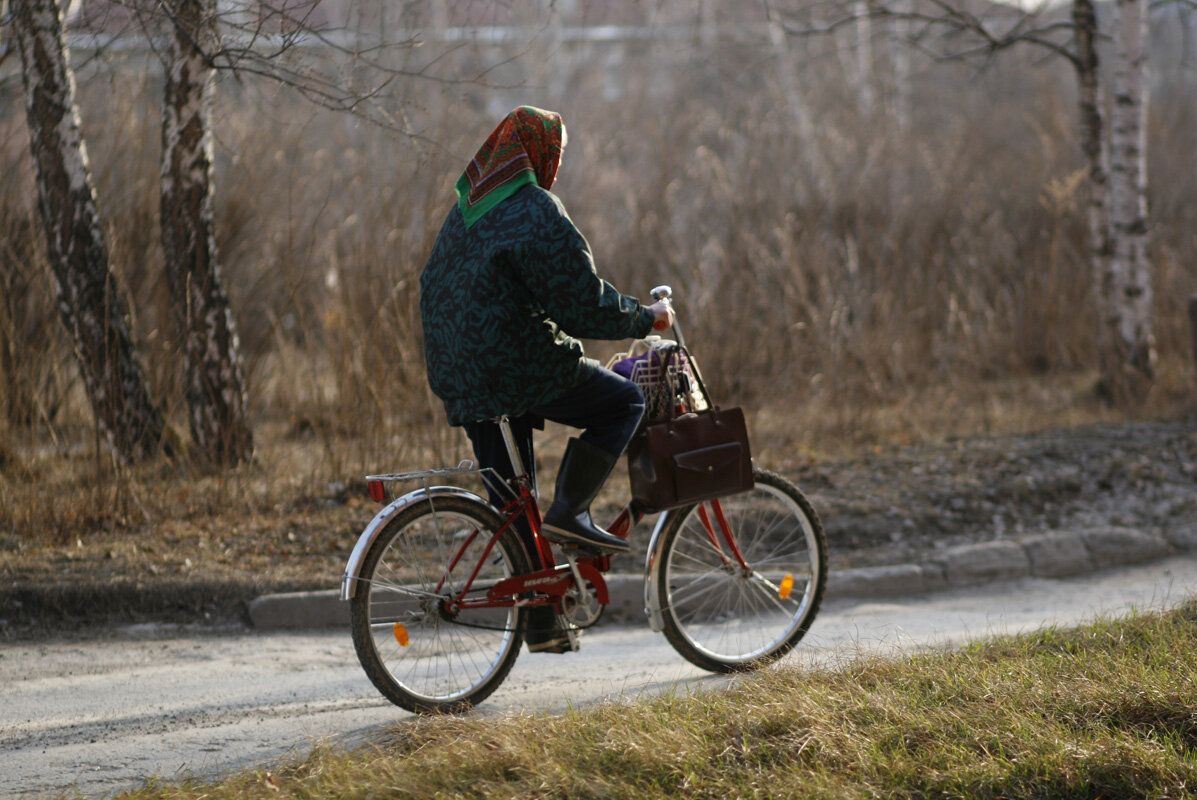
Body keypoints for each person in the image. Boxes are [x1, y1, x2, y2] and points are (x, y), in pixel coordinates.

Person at [419, 106, 672, 651]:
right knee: (623, 402)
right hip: (513, 364)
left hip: (456, 370)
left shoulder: (465, 213)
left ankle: (543, 625)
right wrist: (643, 317)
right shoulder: (534, 209)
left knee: (515, 502)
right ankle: (571, 513)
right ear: (539, 152)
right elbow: (583, 303)